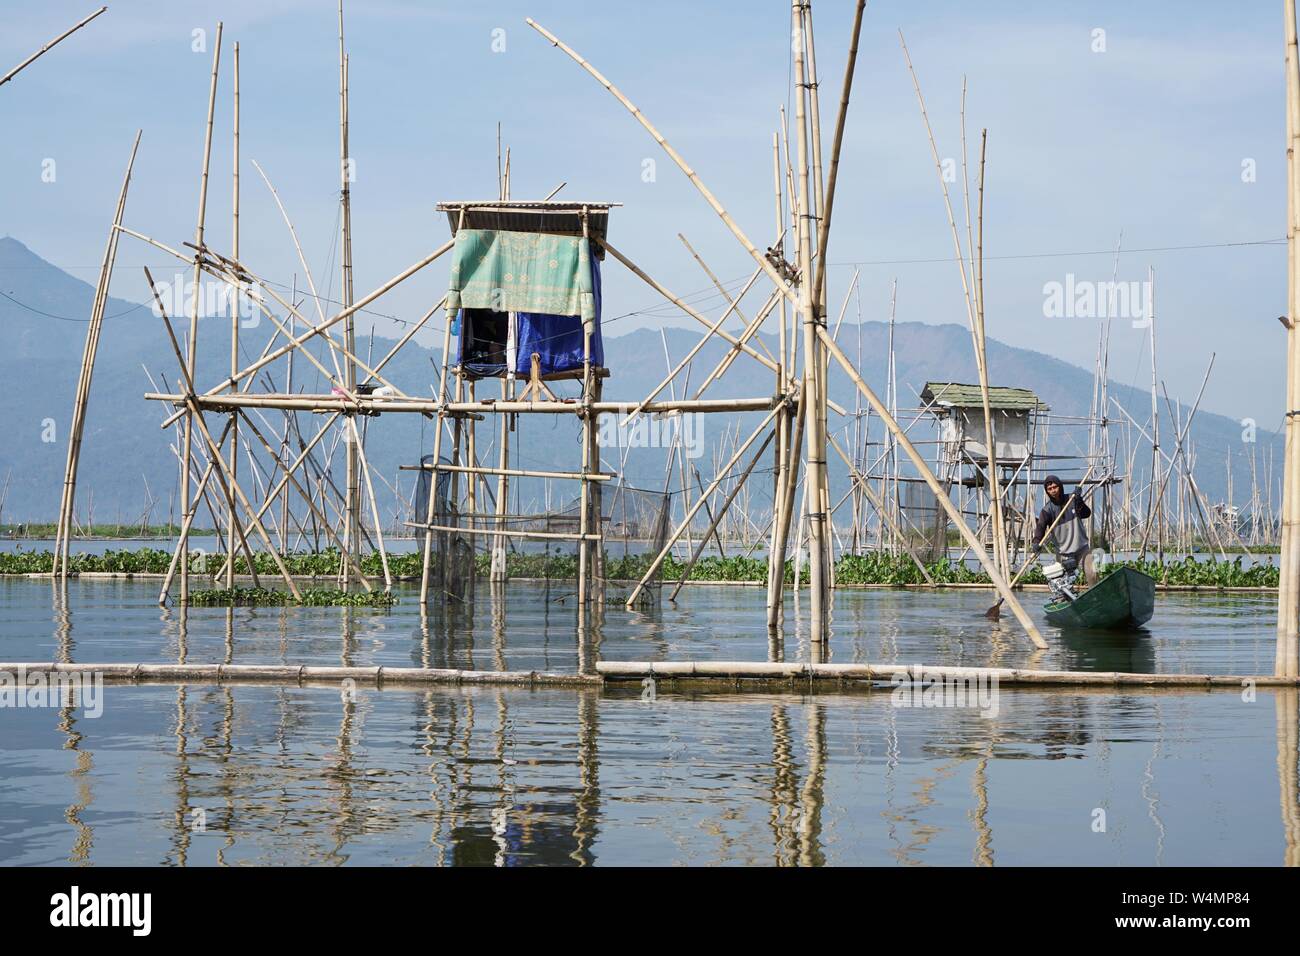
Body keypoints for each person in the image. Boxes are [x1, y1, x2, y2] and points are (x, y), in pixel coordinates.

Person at [1032, 474, 1095, 586]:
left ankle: (1097, 599)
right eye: (1050, 489)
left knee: (1092, 574)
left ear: (1060, 487)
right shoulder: (1047, 510)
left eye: (1055, 487)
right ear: (1047, 491)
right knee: (1063, 584)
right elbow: (1041, 527)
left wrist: (1079, 500)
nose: (1053, 491)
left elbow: (1086, 513)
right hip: (1063, 552)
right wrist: (1036, 542)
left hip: (1081, 548)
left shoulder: (1072, 499)